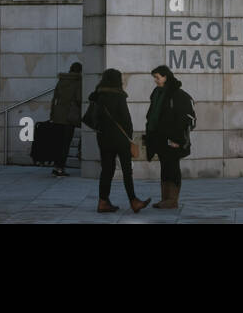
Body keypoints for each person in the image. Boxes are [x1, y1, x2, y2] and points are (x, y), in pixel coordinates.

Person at [88, 69, 150, 214]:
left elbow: (95, 119)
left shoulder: (97, 96)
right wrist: (129, 138)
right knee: (127, 171)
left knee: (107, 170)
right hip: (120, 139)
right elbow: (126, 121)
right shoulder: (118, 96)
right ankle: (134, 201)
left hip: (103, 138)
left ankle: (103, 202)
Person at [144, 65, 195, 210]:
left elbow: (182, 119)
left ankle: (172, 200)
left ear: (165, 77)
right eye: (154, 77)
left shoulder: (177, 94)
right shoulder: (157, 93)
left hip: (173, 138)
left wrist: (178, 140)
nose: (155, 80)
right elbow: (152, 113)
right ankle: (165, 198)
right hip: (159, 137)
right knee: (165, 167)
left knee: (172, 166)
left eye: (157, 77)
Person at [49, 62, 83, 177]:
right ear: (80, 71)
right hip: (69, 118)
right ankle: (60, 168)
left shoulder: (61, 80)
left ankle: (56, 166)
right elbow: (79, 99)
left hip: (57, 116)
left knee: (57, 143)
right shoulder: (78, 81)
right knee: (65, 144)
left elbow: (55, 98)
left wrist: (52, 114)